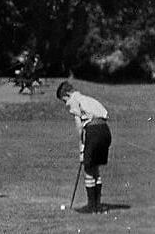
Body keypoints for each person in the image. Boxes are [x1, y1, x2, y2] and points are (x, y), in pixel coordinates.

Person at [56, 81, 112, 213]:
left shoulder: (74, 101)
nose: (66, 104)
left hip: (93, 131)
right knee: (95, 168)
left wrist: (82, 149)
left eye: (64, 100)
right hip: (105, 131)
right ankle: (97, 205)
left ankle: (91, 206)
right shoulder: (89, 99)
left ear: (68, 94)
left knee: (88, 169)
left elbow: (80, 127)